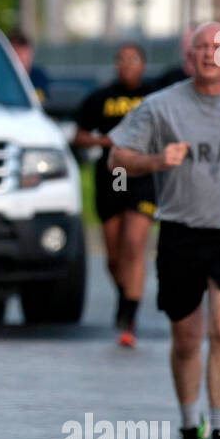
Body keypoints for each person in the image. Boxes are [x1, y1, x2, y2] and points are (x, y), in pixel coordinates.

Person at [108, 22, 220, 439]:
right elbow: (116, 155)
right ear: (189, 58)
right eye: (200, 47)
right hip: (181, 231)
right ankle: (189, 429)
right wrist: (156, 161)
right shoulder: (161, 106)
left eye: (218, 47)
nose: (209, 54)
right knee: (187, 339)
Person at [72, 42, 156, 347]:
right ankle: (124, 293)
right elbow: (79, 136)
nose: (127, 65)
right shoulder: (101, 98)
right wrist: (105, 141)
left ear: (143, 65)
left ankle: (130, 315)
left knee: (134, 245)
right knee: (113, 256)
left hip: (142, 177)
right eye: (122, 60)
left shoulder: (152, 98)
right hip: (109, 178)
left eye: (133, 60)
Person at [150, 24, 197, 90]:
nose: (188, 46)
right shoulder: (168, 78)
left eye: (192, 42)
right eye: (185, 41)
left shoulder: (211, 80)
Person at [8, 30, 49, 103]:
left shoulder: (39, 77)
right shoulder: (0, 79)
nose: (20, 58)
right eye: (16, 54)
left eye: (23, 55)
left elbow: (43, 102)